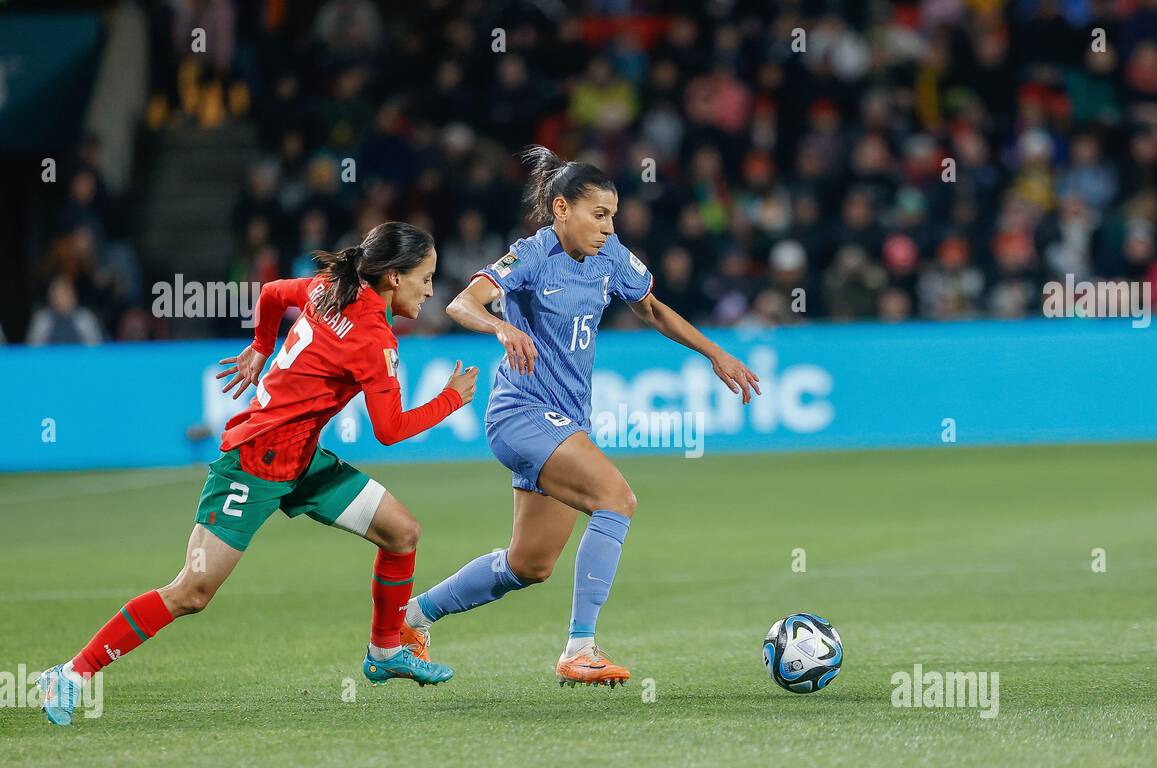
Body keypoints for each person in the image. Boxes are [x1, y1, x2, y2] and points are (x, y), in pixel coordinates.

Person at [37, 221, 477, 725]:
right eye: (426, 277)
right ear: (395, 278)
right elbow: (390, 430)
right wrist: (451, 399)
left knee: (402, 532)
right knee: (191, 592)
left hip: (301, 460)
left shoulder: (326, 289)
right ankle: (70, 673)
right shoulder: (374, 339)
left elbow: (270, 294)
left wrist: (262, 346)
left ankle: (383, 653)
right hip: (252, 464)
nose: (430, 289)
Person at [403, 146, 760, 687]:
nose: (608, 226)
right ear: (562, 208)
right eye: (599, 214)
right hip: (520, 412)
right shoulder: (530, 254)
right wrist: (502, 327)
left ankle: (413, 617)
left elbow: (652, 308)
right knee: (616, 498)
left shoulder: (612, 255)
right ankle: (580, 648)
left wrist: (714, 352)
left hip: (565, 420)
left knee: (529, 565)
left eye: (613, 215)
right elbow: (460, 304)